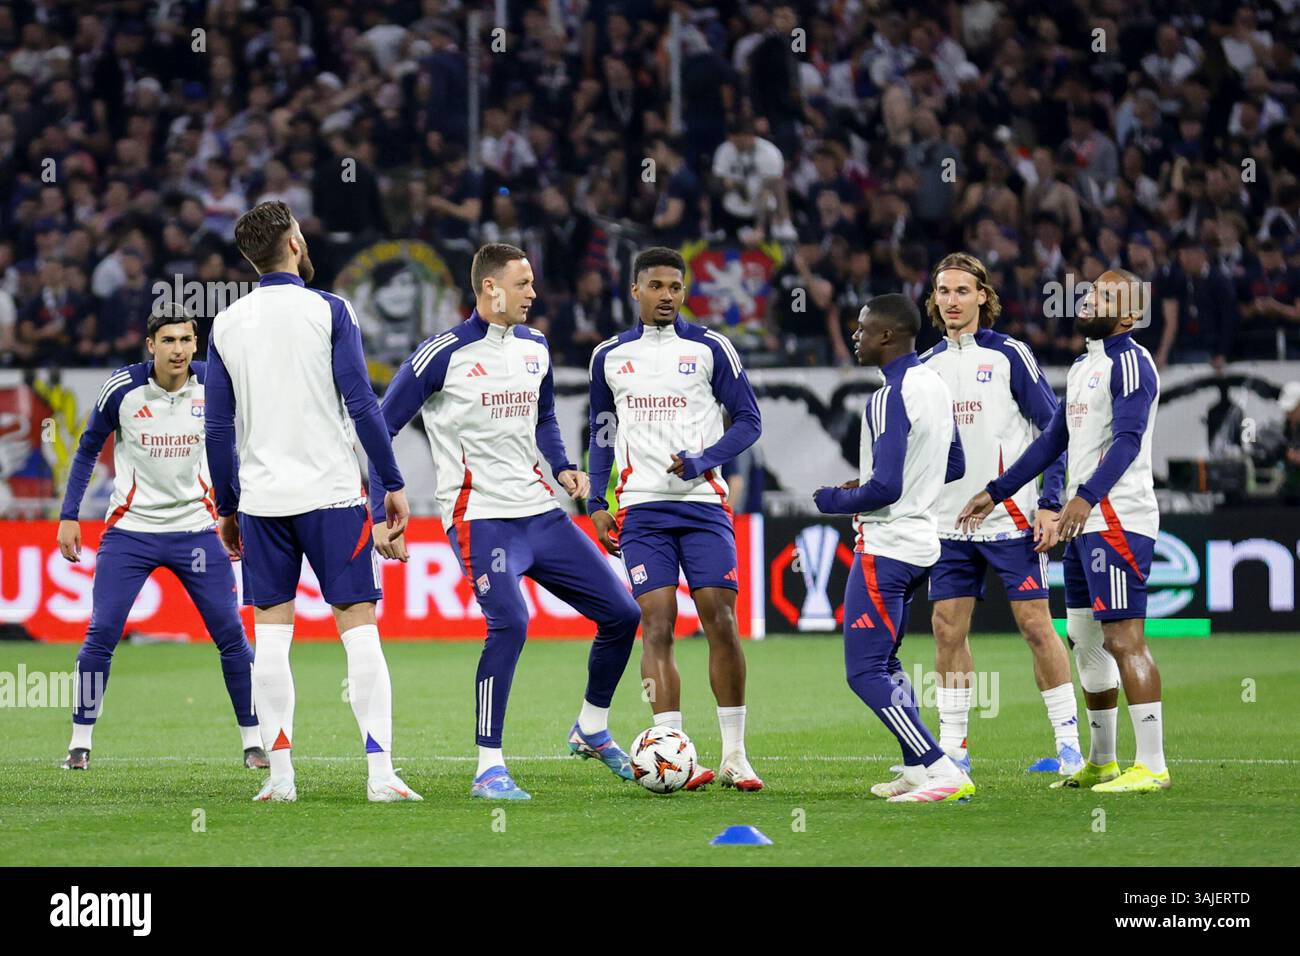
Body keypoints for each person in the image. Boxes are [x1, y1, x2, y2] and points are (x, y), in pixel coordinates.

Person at [370, 242, 642, 801]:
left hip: (541, 512)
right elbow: (380, 429)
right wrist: (381, 509)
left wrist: (564, 466)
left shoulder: (536, 347)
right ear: (491, 288)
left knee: (622, 613)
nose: (533, 294)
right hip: (481, 519)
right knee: (511, 623)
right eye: (523, 283)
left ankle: (590, 727)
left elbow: (543, 416)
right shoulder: (439, 355)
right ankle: (488, 766)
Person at [204, 200, 418, 803]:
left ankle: (281, 778)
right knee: (359, 631)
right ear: (294, 244)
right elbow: (362, 403)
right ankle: (380, 776)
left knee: (270, 638)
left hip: (263, 502)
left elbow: (218, 429)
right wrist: (392, 481)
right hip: (330, 496)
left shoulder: (227, 324)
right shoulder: (330, 309)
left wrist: (226, 506)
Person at [959, 270, 1171, 793]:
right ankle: (1102, 760)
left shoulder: (1131, 362)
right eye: (1090, 291)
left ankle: (1153, 765)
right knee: (1085, 640)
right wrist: (998, 490)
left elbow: (1127, 441)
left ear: (1129, 313)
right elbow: (1050, 441)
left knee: (1125, 637)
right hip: (1085, 522)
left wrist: (1083, 498)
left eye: (1102, 295)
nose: (1087, 299)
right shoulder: (1083, 367)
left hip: (1117, 517)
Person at [56, 302, 262, 771]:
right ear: (150, 345)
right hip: (131, 533)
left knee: (232, 636)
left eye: (186, 340)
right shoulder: (123, 388)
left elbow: (249, 436)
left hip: (196, 531)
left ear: (196, 343)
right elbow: (89, 446)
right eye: (168, 340)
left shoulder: (215, 383)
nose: (178, 349)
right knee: (102, 633)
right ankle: (79, 743)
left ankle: (254, 742)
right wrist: (70, 514)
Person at [587, 246, 764, 791]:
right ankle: (672, 751)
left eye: (675, 286)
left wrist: (703, 461)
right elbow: (600, 431)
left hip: (704, 507)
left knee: (720, 621)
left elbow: (750, 421)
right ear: (635, 291)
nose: (667, 295)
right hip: (640, 510)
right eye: (657, 286)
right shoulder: (609, 356)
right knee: (656, 625)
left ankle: (734, 753)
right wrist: (597, 501)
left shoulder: (712, 348)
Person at [918, 253, 1083, 778]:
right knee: (947, 631)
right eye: (943, 292)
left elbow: (1055, 432)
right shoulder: (924, 368)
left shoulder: (1010, 355)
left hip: (1013, 519)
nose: (951, 301)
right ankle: (955, 753)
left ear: (983, 297)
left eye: (962, 291)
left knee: (1036, 626)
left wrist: (1052, 503)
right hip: (948, 525)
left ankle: (1069, 744)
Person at [813, 294, 973, 803]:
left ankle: (941, 766)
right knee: (887, 664)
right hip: (923, 542)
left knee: (863, 672)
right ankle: (915, 766)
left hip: (887, 544)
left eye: (861, 329)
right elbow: (954, 466)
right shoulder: (935, 385)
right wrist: (887, 478)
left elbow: (885, 489)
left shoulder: (887, 396)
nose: (855, 336)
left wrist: (834, 498)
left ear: (887, 336)